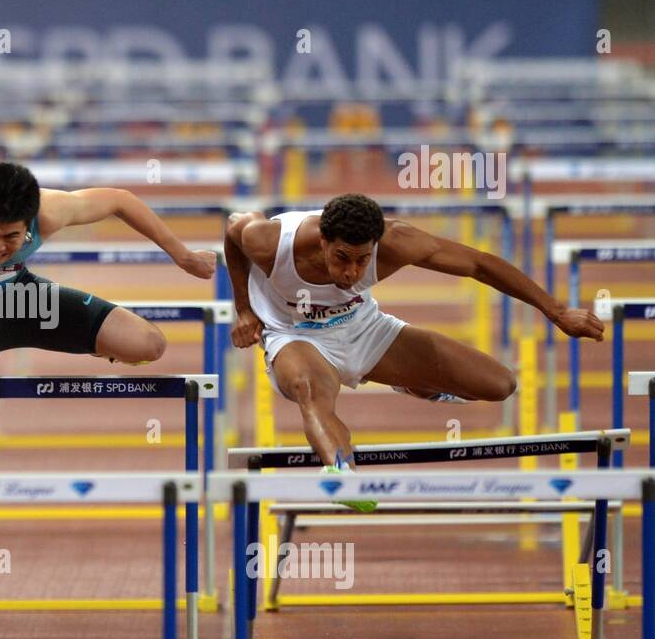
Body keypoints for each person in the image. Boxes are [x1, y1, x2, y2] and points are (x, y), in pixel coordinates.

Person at [224, 194, 604, 474]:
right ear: (323, 241)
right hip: (293, 335)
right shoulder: (271, 241)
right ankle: (344, 478)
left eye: (363, 260)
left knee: (499, 385)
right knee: (313, 392)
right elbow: (232, 232)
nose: (352, 273)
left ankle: (410, 382)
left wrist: (555, 311)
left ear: (376, 245)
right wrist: (244, 308)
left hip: (362, 328)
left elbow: (478, 264)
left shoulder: (398, 241)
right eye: (342, 257)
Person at [0, 162, 216, 443]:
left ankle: (100, 343)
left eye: (11, 238)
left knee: (149, 344)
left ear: (28, 225)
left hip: (25, 300)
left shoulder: (48, 211)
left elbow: (120, 200)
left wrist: (182, 255)